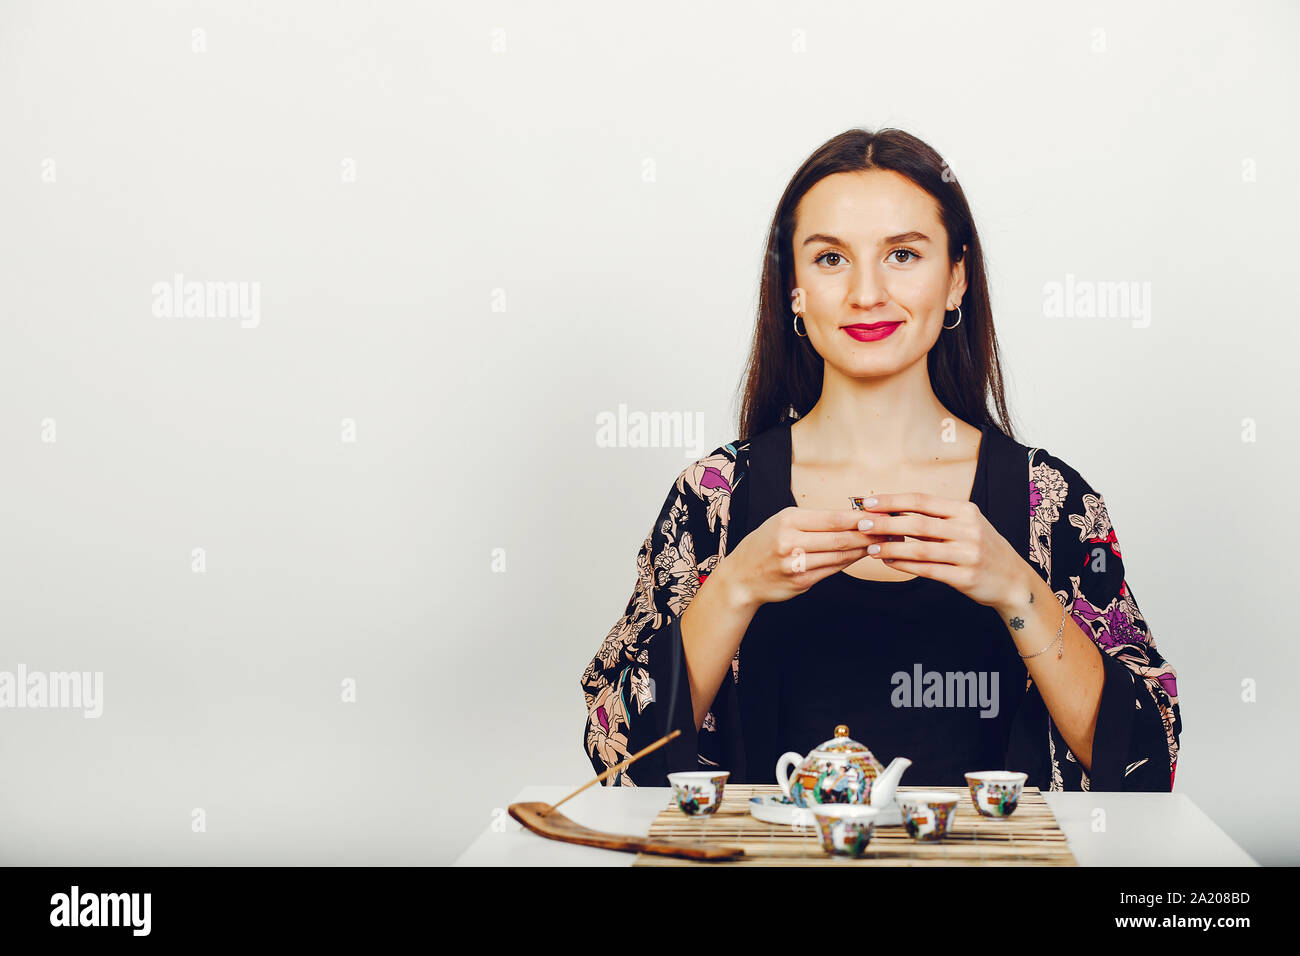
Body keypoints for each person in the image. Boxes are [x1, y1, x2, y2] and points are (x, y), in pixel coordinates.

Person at [580, 128, 1181, 792]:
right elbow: (620, 763)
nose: (867, 293)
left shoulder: (1051, 501)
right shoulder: (714, 498)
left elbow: (1147, 763)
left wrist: (1017, 588)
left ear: (956, 278)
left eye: (902, 254)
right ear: (794, 290)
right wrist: (734, 586)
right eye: (831, 259)